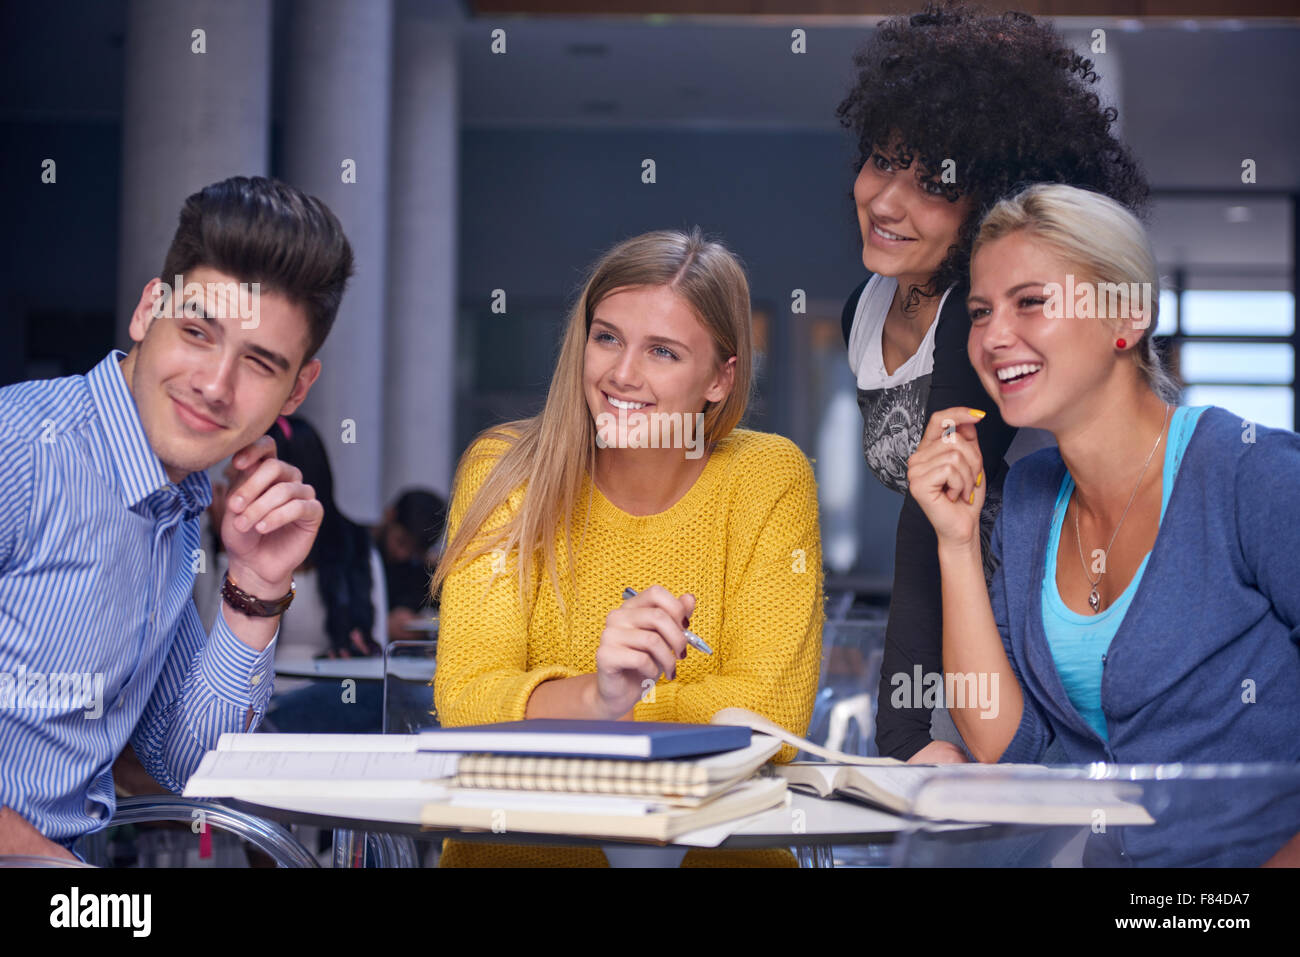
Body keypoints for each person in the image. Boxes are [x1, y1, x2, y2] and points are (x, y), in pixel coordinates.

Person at [907, 183, 1300, 866]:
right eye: (980, 311)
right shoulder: (1030, 496)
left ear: (1127, 318)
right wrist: (956, 539)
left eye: (1030, 301)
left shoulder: (1249, 474)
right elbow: (1008, 745)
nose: (995, 336)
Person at [431, 228, 824, 867]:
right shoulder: (506, 470)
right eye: (607, 336)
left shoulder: (766, 479)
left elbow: (769, 721)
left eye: (662, 352)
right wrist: (600, 697)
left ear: (721, 379)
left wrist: (602, 713)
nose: (621, 374)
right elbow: (468, 701)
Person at [0, 175, 353, 861]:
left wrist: (255, 589)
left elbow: (185, 762)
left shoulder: (174, 502)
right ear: (146, 312)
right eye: (197, 331)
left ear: (297, 389)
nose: (214, 386)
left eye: (259, 362)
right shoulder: (21, 451)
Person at [835, 1, 1150, 762]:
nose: (886, 200)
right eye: (883, 160)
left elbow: (928, 514)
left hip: (1032, 634)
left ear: (990, 201)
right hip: (956, 616)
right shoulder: (862, 308)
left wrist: (903, 737)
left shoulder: (972, 325)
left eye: (933, 182)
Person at [261, 414, 389, 734]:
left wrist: (355, 652)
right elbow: (207, 640)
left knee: (377, 697)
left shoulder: (355, 548)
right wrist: (223, 553)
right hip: (260, 699)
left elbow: (378, 652)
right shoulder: (233, 541)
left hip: (330, 697)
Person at [377, 489, 446, 641]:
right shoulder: (358, 554)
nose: (403, 555)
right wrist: (381, 624)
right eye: (400, 542)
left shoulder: (417, 566)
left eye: (414, 551)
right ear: (390, 515)